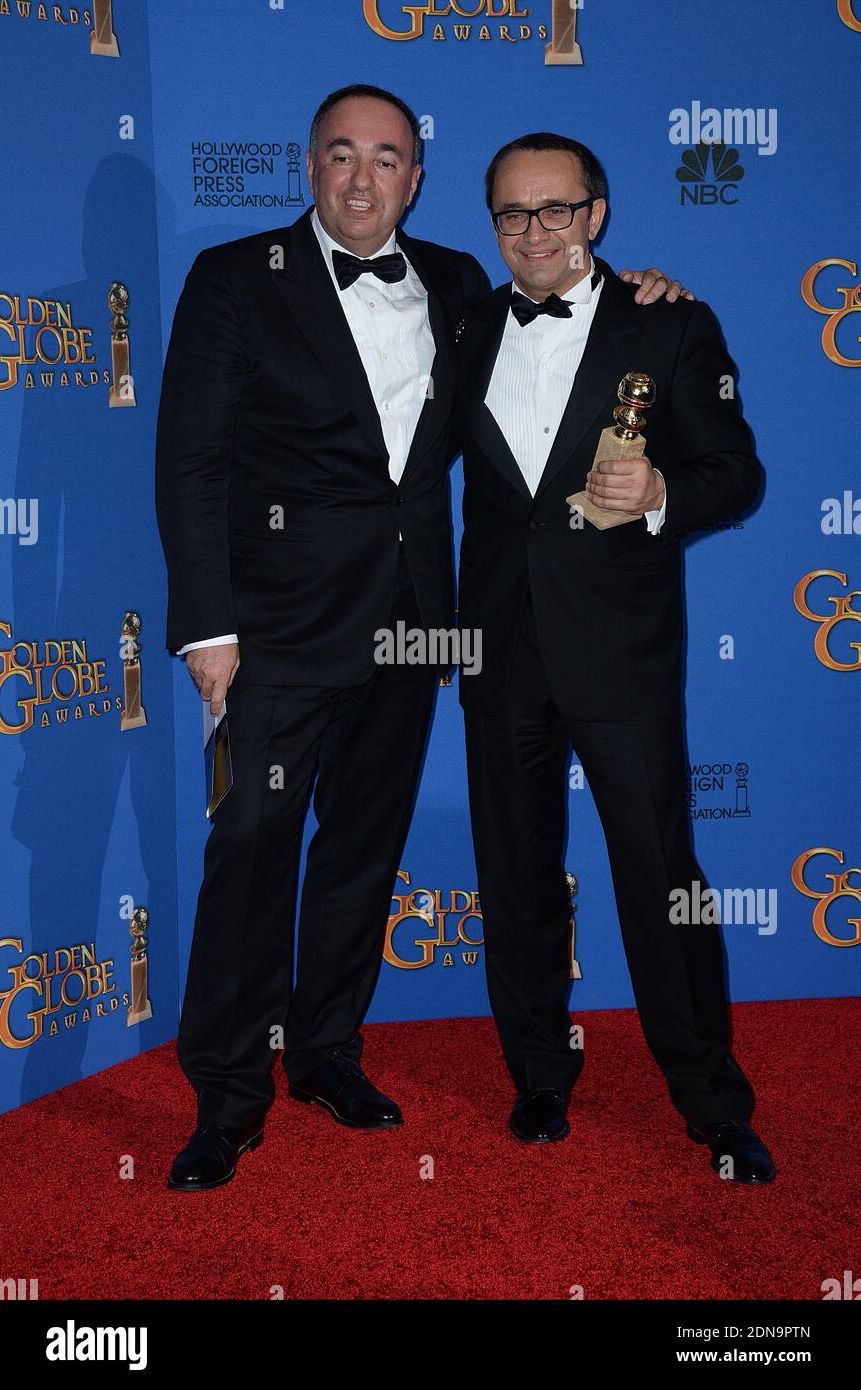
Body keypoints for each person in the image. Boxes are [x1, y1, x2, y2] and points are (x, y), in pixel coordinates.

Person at [156, 86, 684, 1192]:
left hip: (410, 626)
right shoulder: (231, 281)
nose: (362, 180)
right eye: (341, 156)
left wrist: (642, 290)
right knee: (250, 852)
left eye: (386, 159)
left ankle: (328, 1053)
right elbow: (192, 465)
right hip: (276, 634)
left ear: (416, 177)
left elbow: (566, 314)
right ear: (308, 167)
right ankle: (226, 1094)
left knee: (359, 852)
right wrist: (206, 627)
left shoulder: (454, 284)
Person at [455, 132, 775, 1183]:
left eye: (555, 211)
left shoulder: (669, 320)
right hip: (496, 643)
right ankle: (538, 1074)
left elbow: (736, 471)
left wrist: (666, 499)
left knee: (658, 876)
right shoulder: (462, 321)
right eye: (512, 213)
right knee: (514, 873)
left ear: (596, 214)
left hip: (624, 648)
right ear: (491, 222)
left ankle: (710, 1100)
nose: (533, 233)